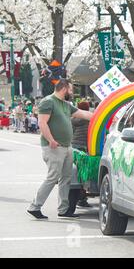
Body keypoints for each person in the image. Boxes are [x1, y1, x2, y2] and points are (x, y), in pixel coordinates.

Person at [27, 79, 93, 220]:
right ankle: (35, 206)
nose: (72, 92)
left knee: (66, 178)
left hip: (66, 147)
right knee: (53, 177)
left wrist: (104, 115)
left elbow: (83, 114)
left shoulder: (65, 104)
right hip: (54, 147)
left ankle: (64, 209)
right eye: (70, 89)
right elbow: (42, 122)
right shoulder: (48, 102)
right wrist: (51, 140)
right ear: (63, 88)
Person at [71, 101, 92, 209]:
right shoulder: (89, 118)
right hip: (85, 147)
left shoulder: (73, 119)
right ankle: (82, 198)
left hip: (74, 147)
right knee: (84, 174)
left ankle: (76, 197)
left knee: (76, 174)